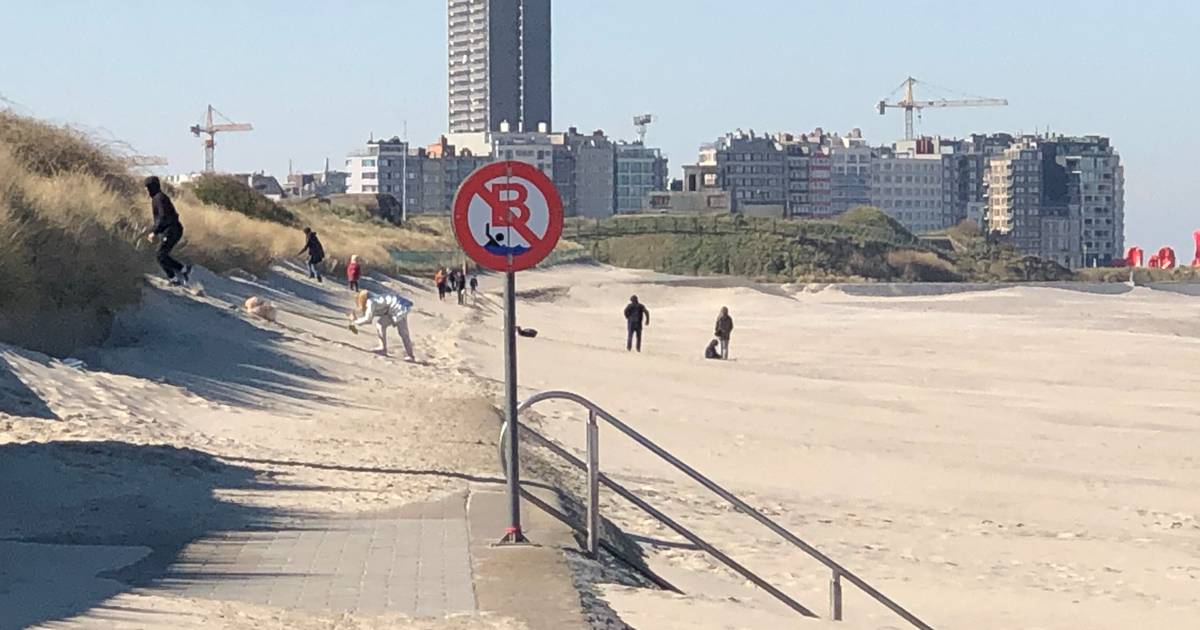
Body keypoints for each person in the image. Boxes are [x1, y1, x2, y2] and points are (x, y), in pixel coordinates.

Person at [144, 176, 192, 285]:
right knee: (161, 256)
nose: (146, 190)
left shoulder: (159, 198)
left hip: (172, 229)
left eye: (147, 187)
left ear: (152, 187)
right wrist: (154, 230)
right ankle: (177, 276)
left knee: (161, 255)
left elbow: (163, 217)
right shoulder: (157, 198)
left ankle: (180, 273)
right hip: (171, 229)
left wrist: (154, 232)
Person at [351, 289, 415, 360]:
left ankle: (409, 355)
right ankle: (385, 349)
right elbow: (369, 313)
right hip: (399, 306)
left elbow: (368, 319)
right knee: (382, 324)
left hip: (397, 308)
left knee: (402, 332)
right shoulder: (376, 299)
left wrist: (355, 321)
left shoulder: (370, 302)